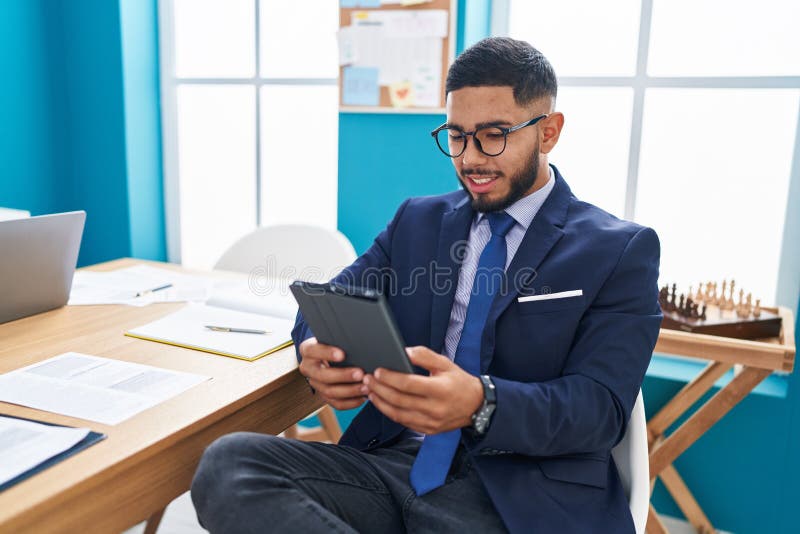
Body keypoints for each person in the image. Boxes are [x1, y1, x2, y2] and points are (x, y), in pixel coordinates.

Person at [191, 37, 662, 534]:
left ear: (549, 132)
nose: (471, 158)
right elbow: (330, 299)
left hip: (518, 497)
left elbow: (599, 410)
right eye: (456, 136)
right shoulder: (417, 220)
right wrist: (315, 349)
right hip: (396, 466)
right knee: (231, 465)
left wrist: (481, 402)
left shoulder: (619, 250)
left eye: (494, 135)